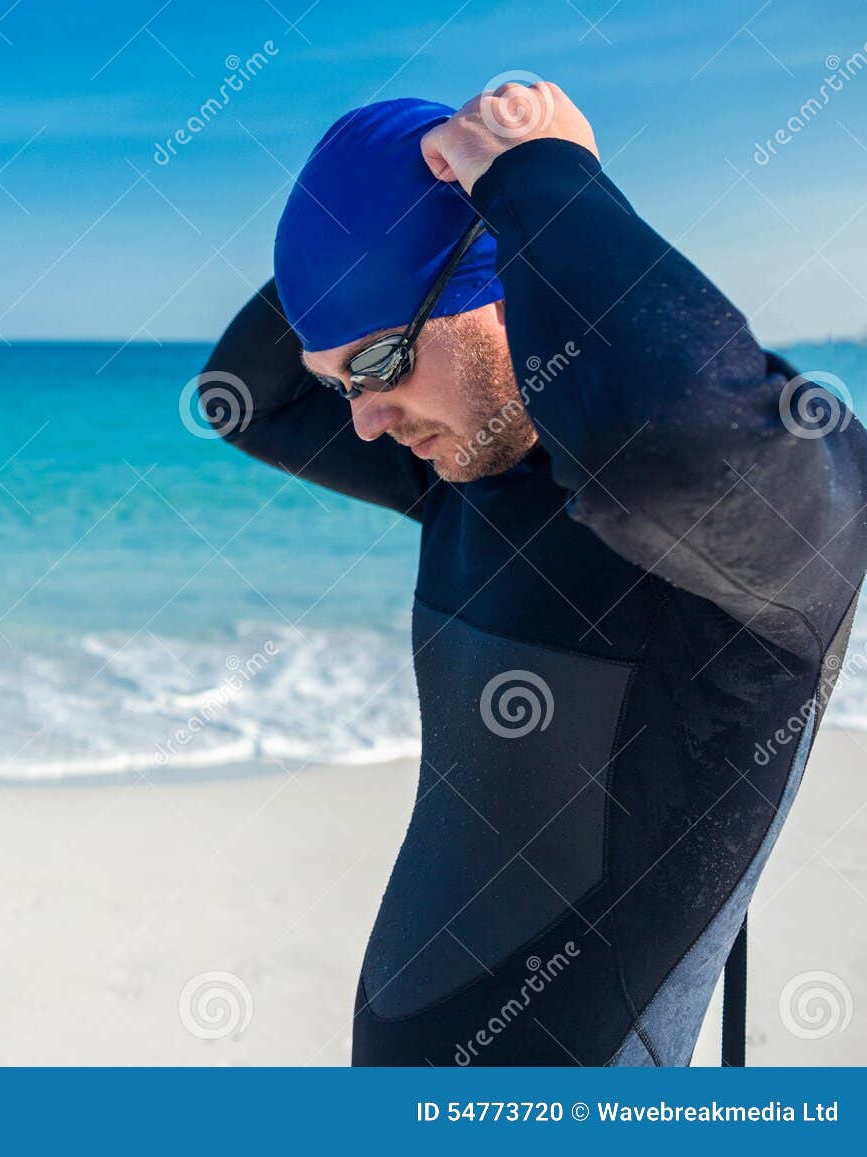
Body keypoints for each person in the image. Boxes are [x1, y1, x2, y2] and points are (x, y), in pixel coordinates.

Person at [202, 84, 867, 1065]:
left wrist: (541, 177)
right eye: (342, 381)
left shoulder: (787, 501)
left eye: (382, 360)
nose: (365, 417)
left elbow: (680, 438)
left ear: (505, 275)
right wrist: (377, 198)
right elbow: (244, 398)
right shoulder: (471, 471)